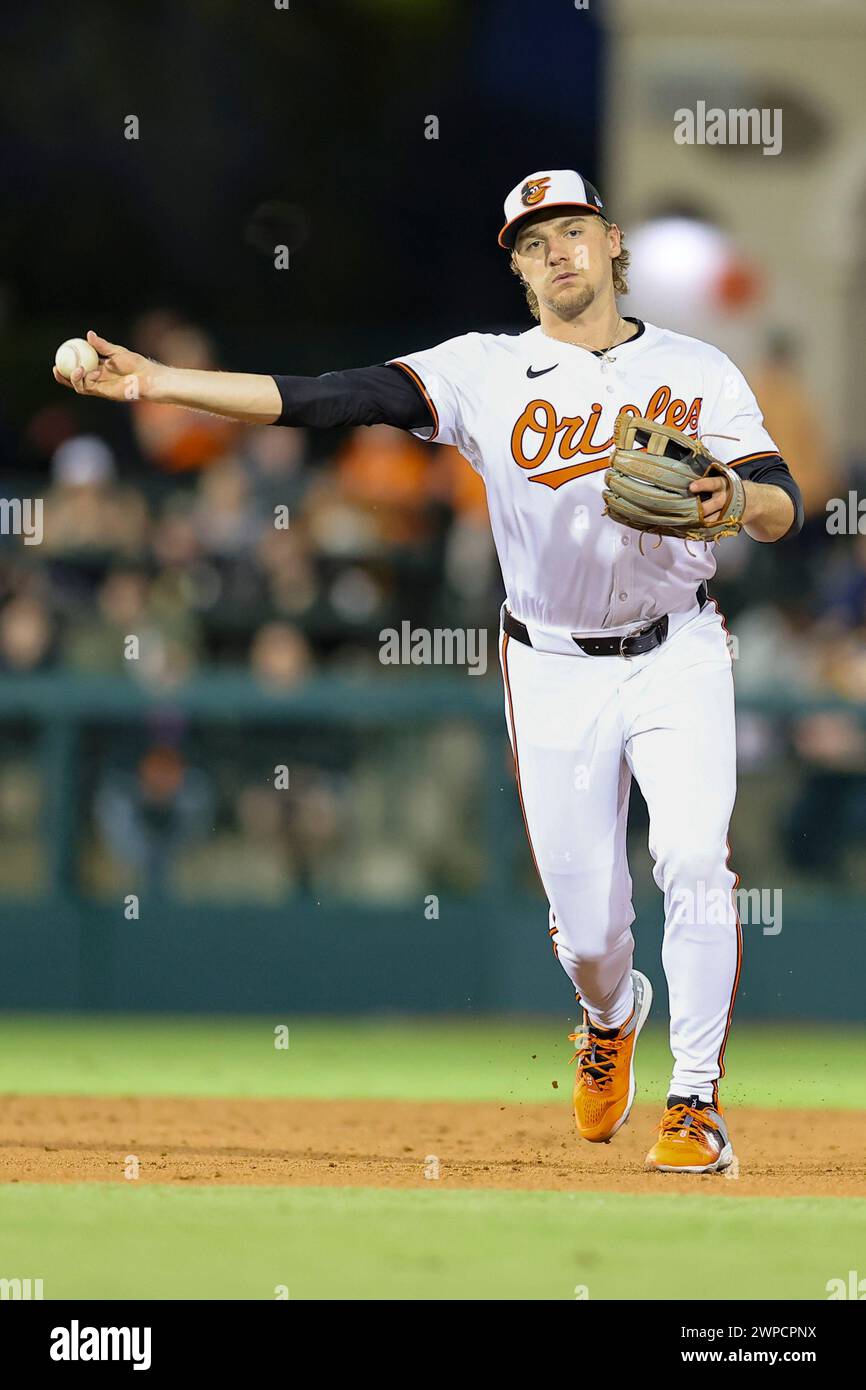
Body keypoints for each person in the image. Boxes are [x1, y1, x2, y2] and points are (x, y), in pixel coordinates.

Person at [53, 167, 803, 1173]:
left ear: (612, 241)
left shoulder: (697, 367)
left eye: (570, 230)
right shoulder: (481, 370)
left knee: (693, 863)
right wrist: (158, 381)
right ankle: (611, 1014)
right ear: (520, 272)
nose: (554, 252)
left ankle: (692, 1101)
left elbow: (778, 497)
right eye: (531, 244)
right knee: (588, 934)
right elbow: (322, 399)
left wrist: (729, 503)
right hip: (551, 665)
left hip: (678, 647)